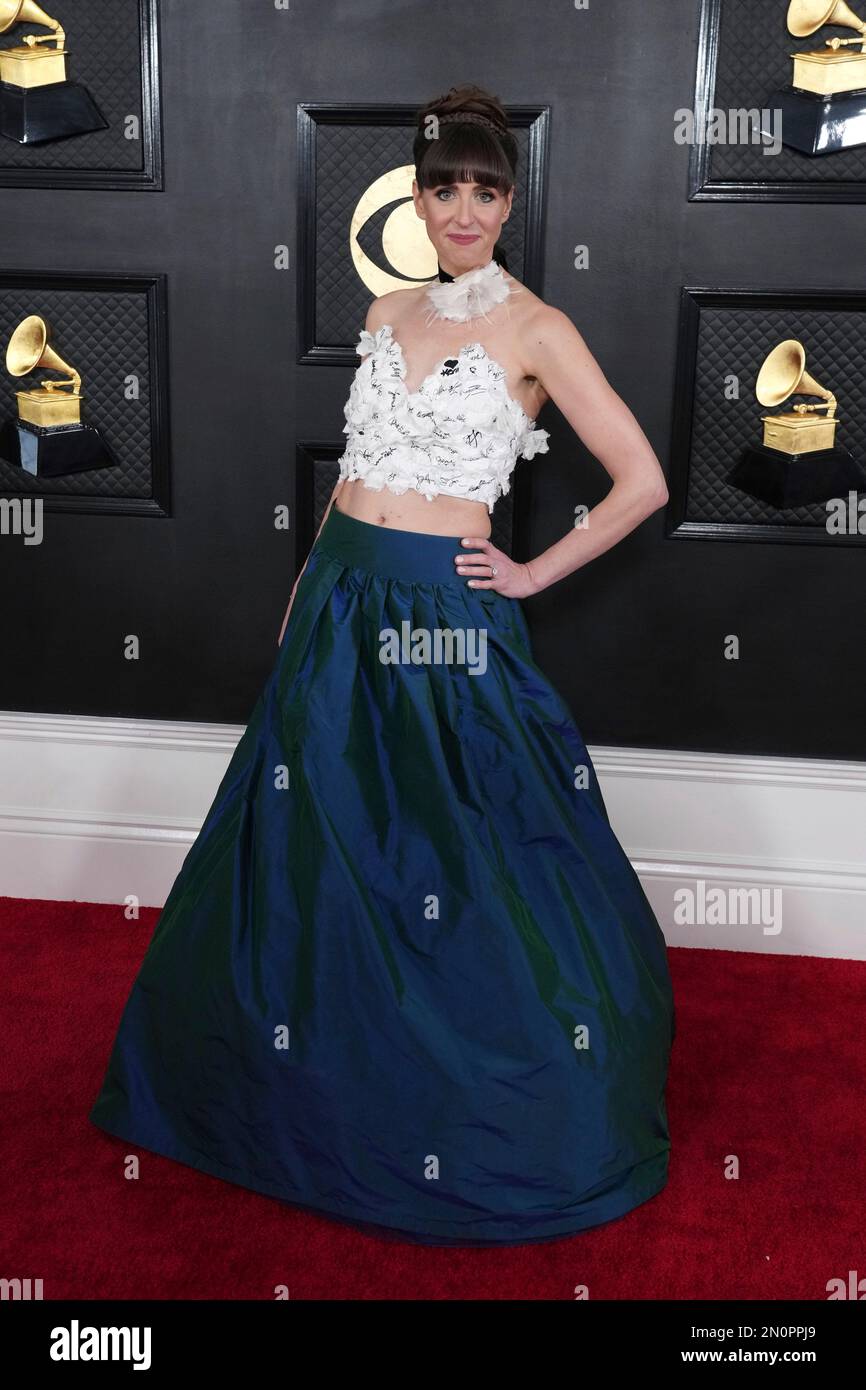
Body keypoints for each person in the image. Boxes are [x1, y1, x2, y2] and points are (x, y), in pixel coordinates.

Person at [90, 83, 675, 1248]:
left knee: (457, 851)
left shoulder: (536, 329)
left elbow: (642, 481)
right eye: (443, 186)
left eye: (485, 189)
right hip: (340, 595)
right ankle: (294, 1095)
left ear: (510, 201)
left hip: (440, 614)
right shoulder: (383, 309)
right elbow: (356, 467)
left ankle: (479, 1100)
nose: (462, 208)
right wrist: (305, 590)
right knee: (314, 851)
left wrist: (528, 574)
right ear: (416, 195)